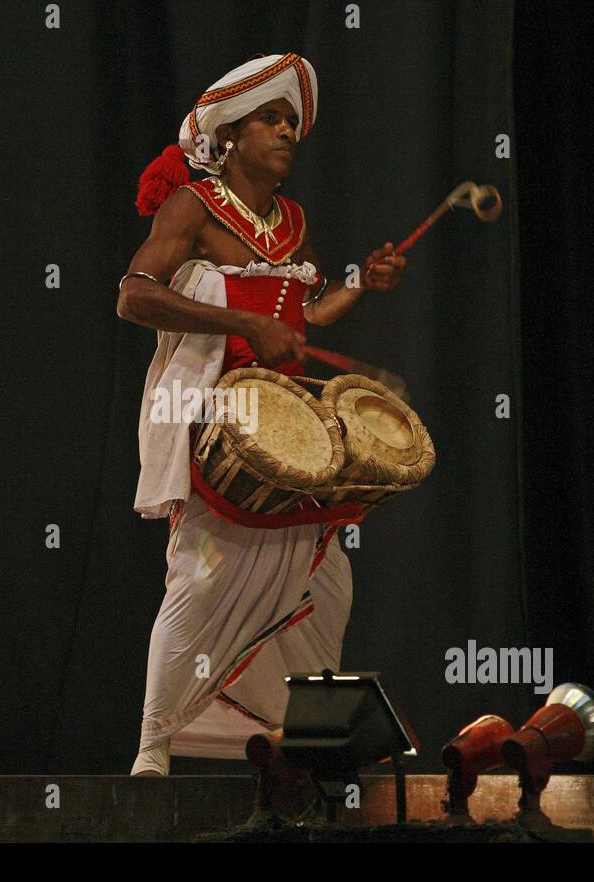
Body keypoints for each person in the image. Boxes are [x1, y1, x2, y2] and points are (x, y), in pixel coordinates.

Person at [118, 53, 406, 775]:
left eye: (290, 123)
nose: (286, 132)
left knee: (327, 585)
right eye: (270, 121)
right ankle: (153, 746)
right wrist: (243, 327)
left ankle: (305, 741)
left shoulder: (294, 220)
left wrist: (360, 286)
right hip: (217, 418)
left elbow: (305, 314)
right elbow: (133, 295)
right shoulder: (193, 205)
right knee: (201, 578)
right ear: (232, 135)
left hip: (289, 428)